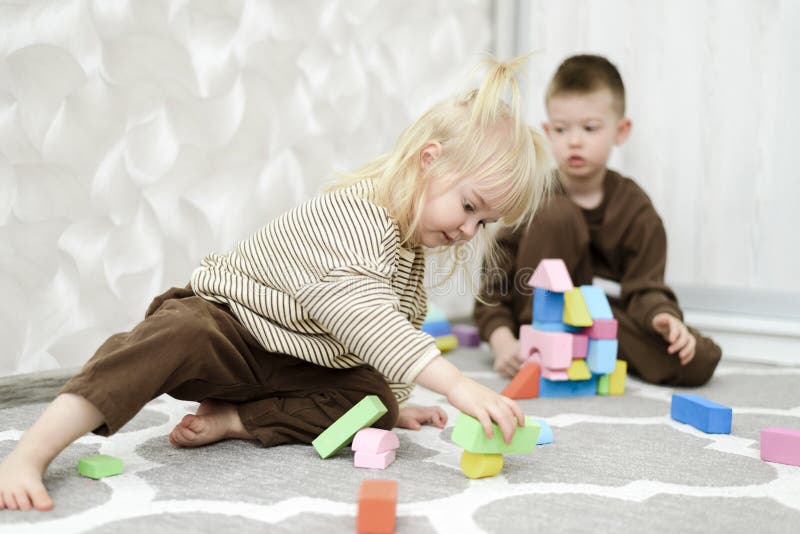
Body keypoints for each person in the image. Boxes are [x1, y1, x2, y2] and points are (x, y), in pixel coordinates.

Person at [0, 55, 552, 512]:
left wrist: (397, 403)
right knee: (169, 339)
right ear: (430, 162)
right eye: (469, 207)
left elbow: (385, 336)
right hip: (229, 326)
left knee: (373, 401)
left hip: (290, 361)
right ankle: (31, 451)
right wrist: (457, 384)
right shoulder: (356, 217)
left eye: (483, 224)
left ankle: (236, 420)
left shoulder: (408, 250)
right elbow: (364, 314)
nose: (467, 230)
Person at [474, 54, 722, 386]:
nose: (574, 141)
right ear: (548, 130)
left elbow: (644, 288)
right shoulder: (532, 197)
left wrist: (663, 317)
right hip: (534, 322)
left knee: (698, 358)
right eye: (561, 129)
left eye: (590, 128)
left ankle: (588, 351)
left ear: (621, 131)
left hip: (594, 319)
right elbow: (495, 285)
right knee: (557, 214)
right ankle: (546, 346)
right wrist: (502, 341)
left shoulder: (636, 211)